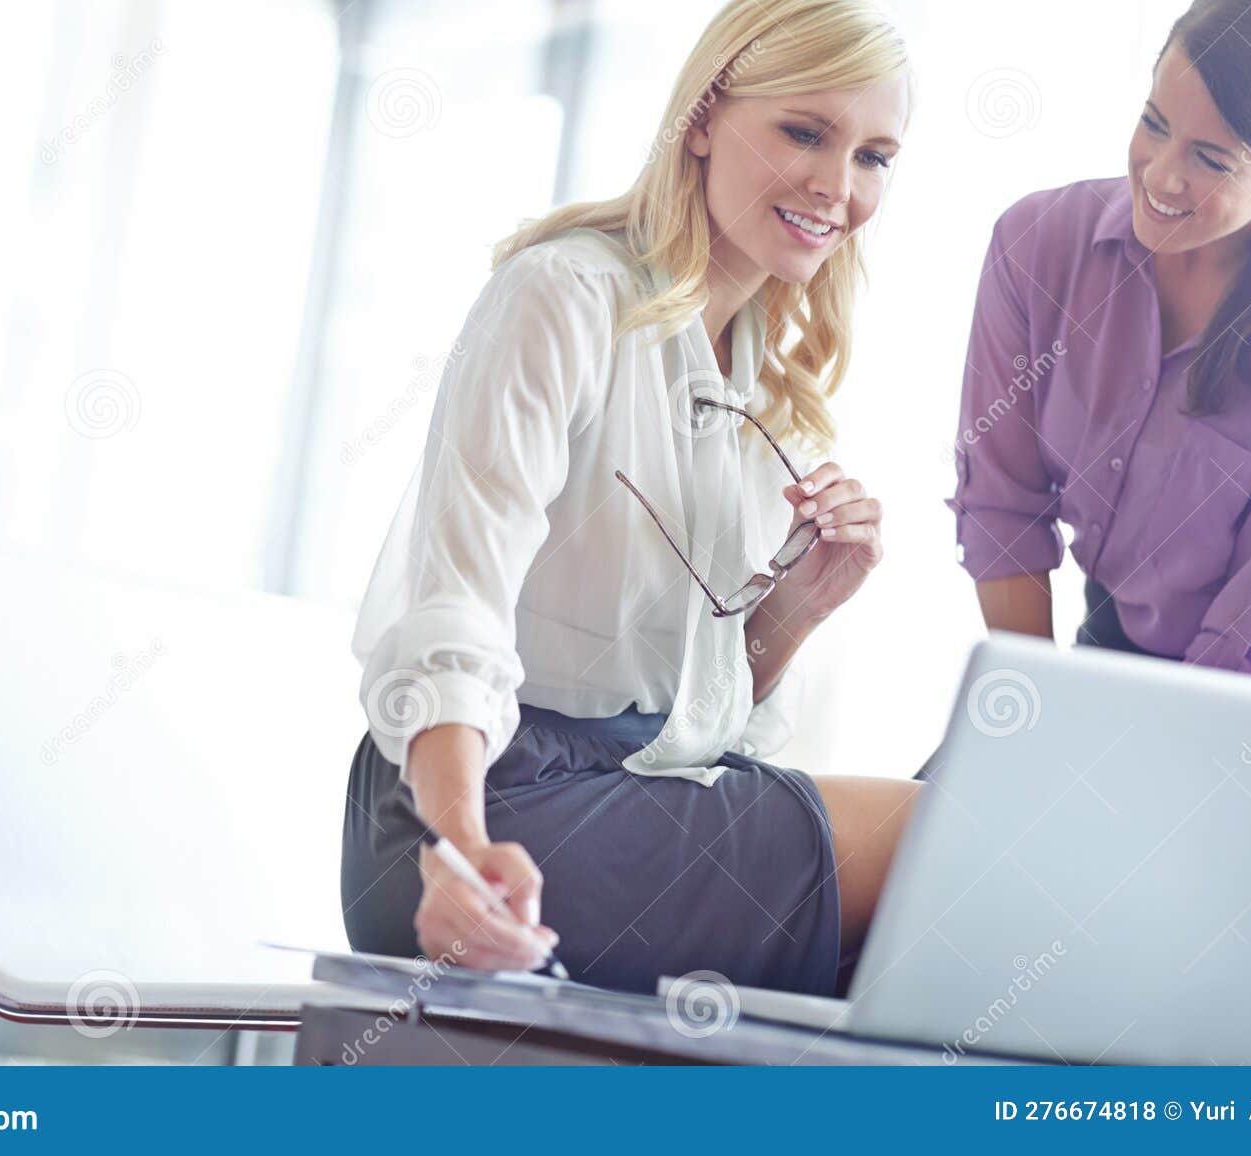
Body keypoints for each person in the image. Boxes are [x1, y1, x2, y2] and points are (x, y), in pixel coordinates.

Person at [341, 0, 916, 997]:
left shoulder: (774, 389)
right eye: (803, 132)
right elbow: (455, 607)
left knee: (911, 937)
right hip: (470, 806)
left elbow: (698, 714)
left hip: (629, 788)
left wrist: (802, 605)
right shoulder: (559, 298)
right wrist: (463, 849)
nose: (838, 186)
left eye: (873, 156)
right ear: (700, 118)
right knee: (934, 840)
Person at [951, 0, 1251, 690]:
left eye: (1211, 159)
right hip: (1103, 648)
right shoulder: (1039, 245)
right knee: (944, 800)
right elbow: (1003, 504)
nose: (1161, 176)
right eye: (1154, 124)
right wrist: (1040, 709)